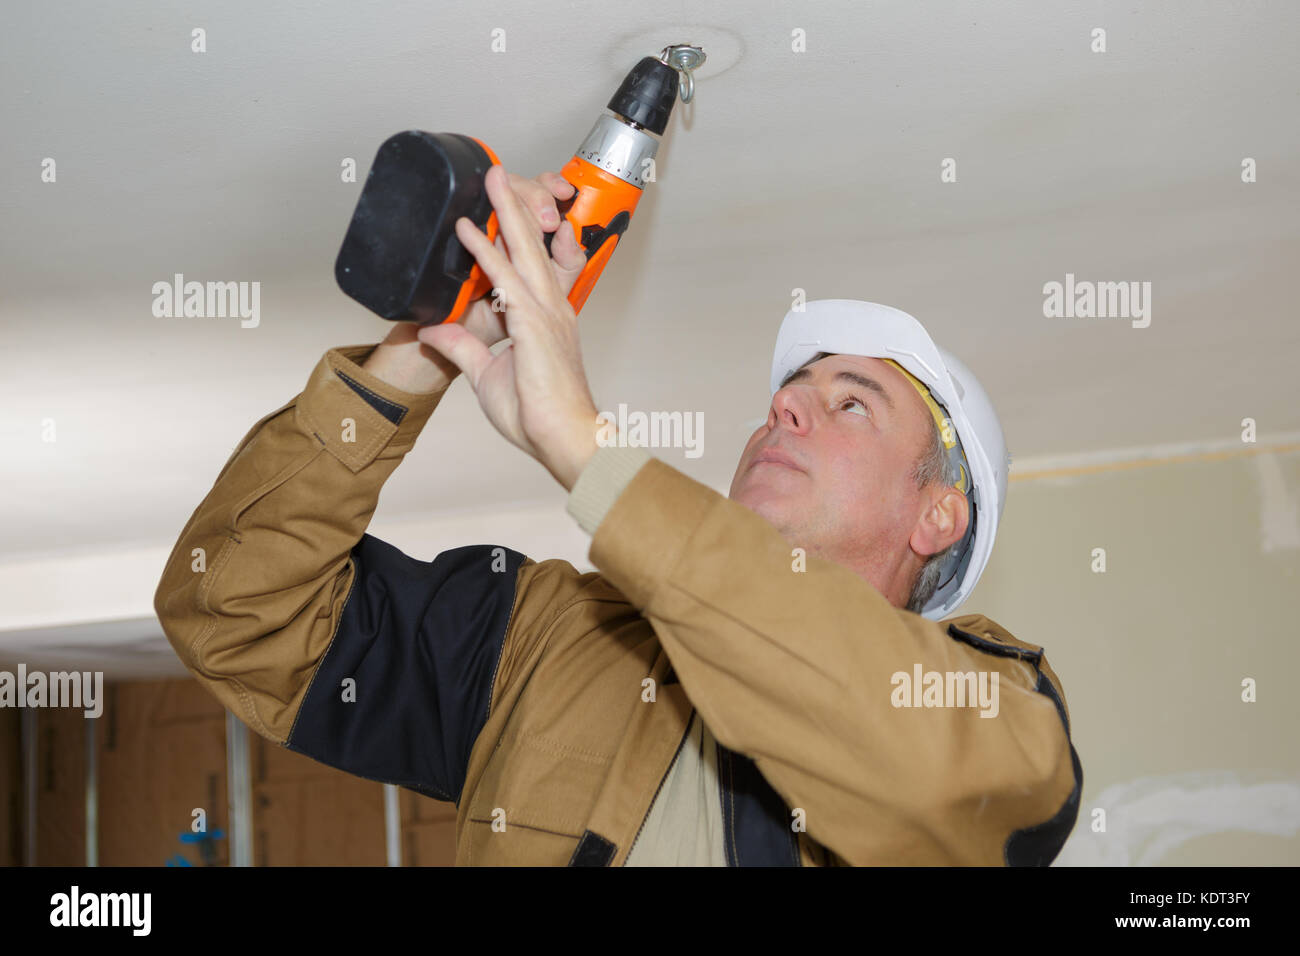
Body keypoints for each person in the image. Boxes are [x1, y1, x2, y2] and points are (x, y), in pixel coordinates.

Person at [155, 164, 1081, 866]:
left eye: (851, 404)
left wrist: (589, 454)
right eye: (787, 395)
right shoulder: (548, 640)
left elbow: (917, 762)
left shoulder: (995, 708)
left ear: (938, 516)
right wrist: (429, 352)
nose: (782, 411)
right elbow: (234, 608)